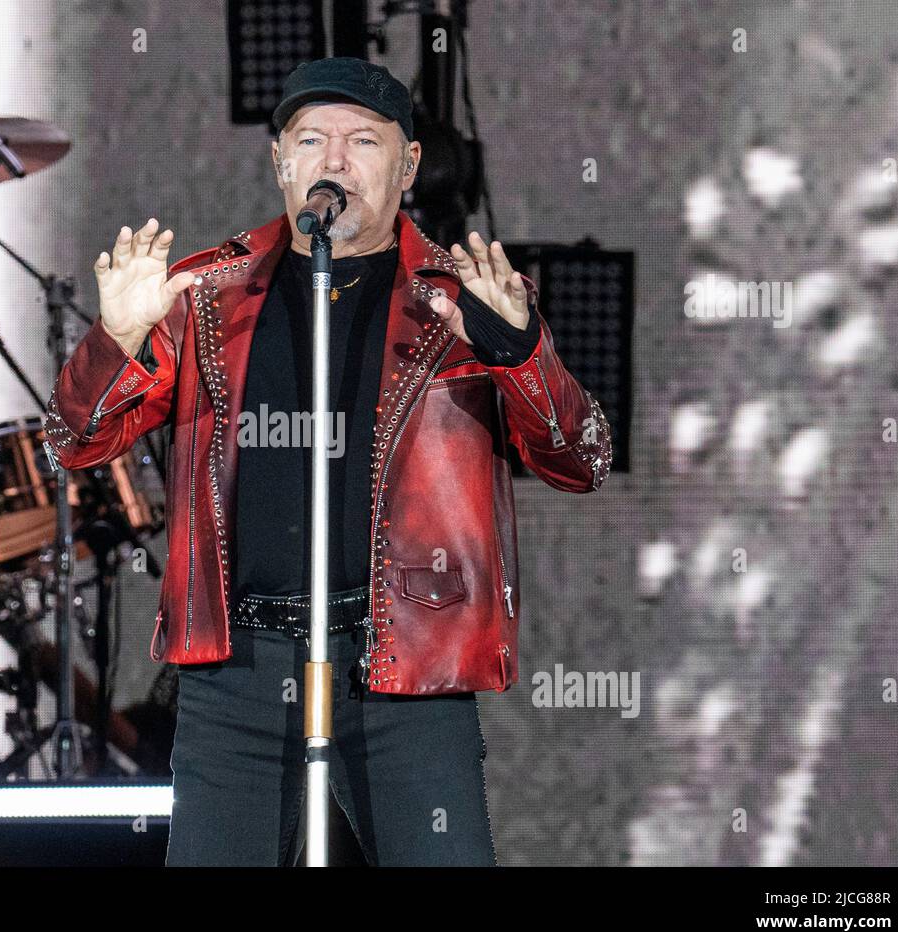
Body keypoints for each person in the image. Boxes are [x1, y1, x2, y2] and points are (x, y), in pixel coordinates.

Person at [45, 57, 612, 865]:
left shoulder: (463, 298)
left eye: (362, 141)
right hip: (236, 667)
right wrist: (119, 340)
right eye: (309, 140)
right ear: (281, 161)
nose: (333, 161)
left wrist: (518, 353)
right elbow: (75, 441)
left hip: (404, 664)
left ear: (409, 165)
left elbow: (580, 456)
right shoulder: (203, 294)